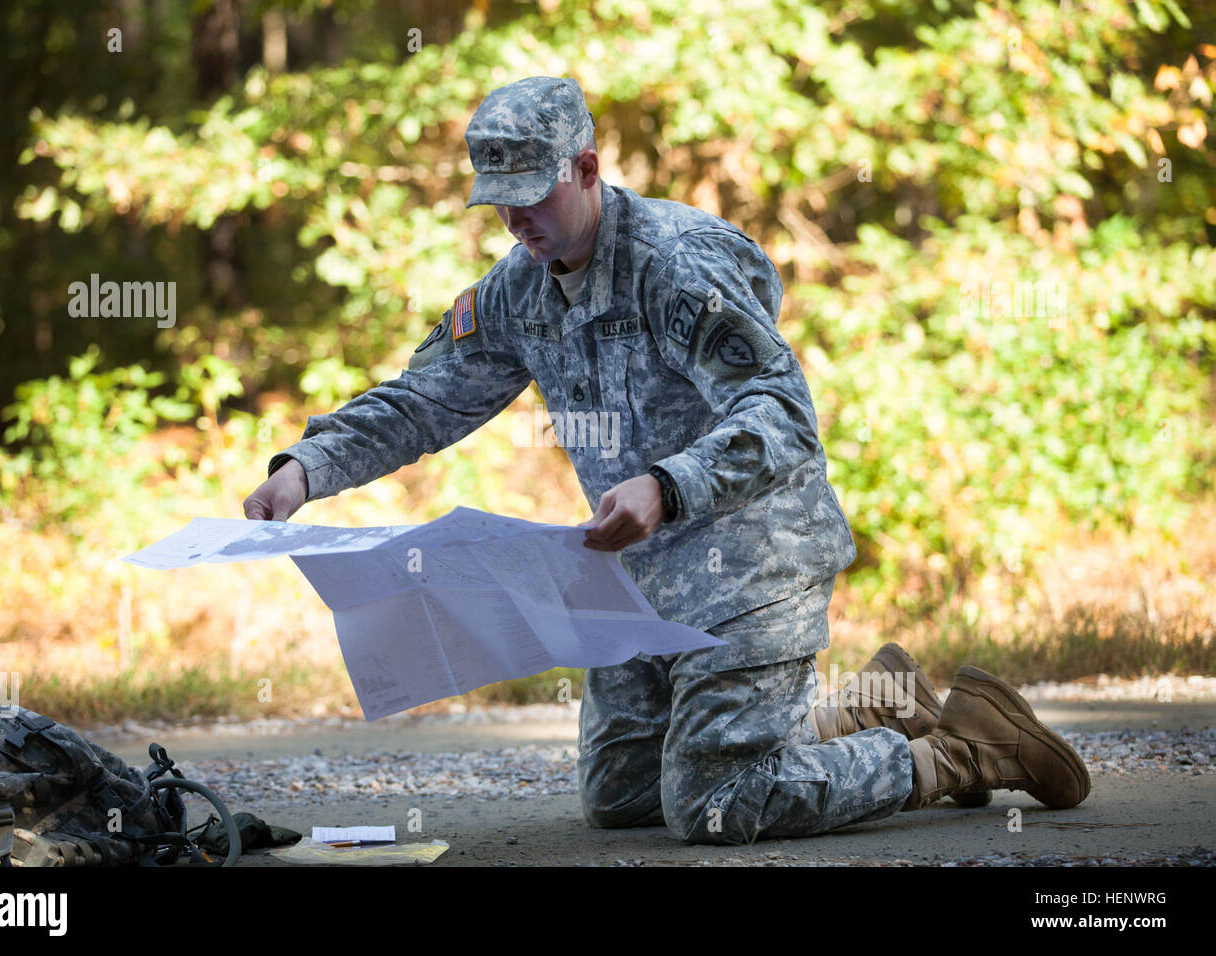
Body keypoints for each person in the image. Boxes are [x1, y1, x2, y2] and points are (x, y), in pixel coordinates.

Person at [243, 76, 1090, 843]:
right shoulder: (517, 288)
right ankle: (874, 707)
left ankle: (964, 752)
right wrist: (308, 468)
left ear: (585, 167)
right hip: (639, 584)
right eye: (497, 202)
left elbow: (782, 411)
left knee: (713, 806)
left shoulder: (675, 265)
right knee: (619, 800)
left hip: (758, 564)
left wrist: (669, 484)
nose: (514, 220)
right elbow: (424, 398)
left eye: (532, 195)